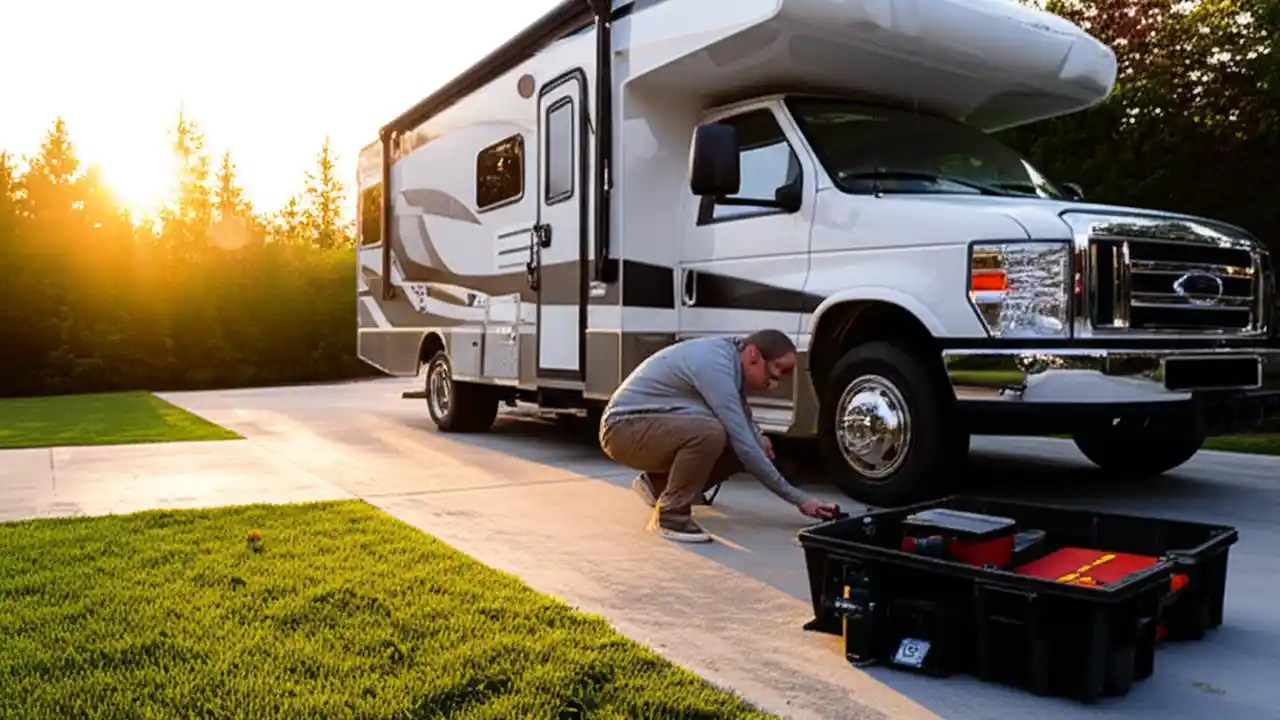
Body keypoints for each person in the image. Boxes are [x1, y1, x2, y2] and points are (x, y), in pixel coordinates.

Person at [599, 329, 841, 543]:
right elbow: (745, 445)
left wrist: (758, 435)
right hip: (622, 429)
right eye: (774, 373)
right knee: (711, 433)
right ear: (754, 355)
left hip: (648, 424)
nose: (773, 385)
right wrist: (800, 500)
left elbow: (741, 415)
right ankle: (672, 517)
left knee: (741, 440)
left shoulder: (731, 357)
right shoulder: (715, 364)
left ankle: (657, 486)